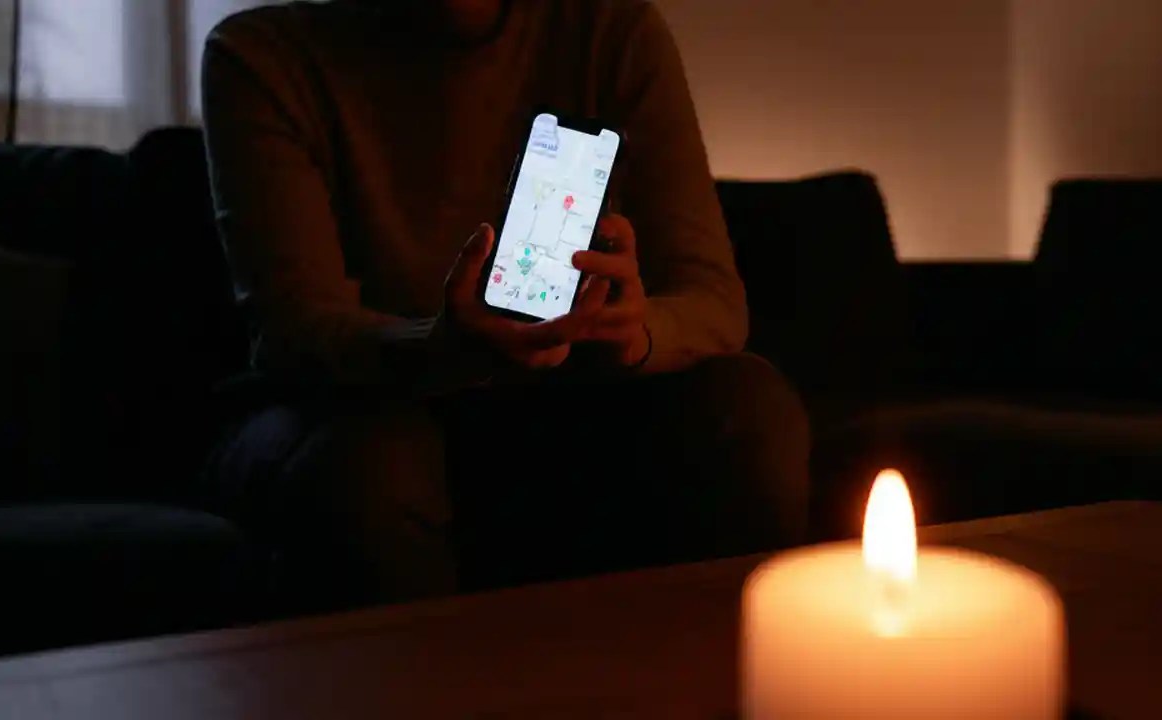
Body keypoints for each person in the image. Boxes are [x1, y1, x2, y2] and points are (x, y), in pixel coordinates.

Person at [201, 0, 809, 610]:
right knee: (374, 465)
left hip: (569, 395)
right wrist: (442, 346)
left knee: (746, 405)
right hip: (357, 408)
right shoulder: (261, 54)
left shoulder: (609, 29)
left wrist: (634, 330)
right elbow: (297, 330)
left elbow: (713, 299)